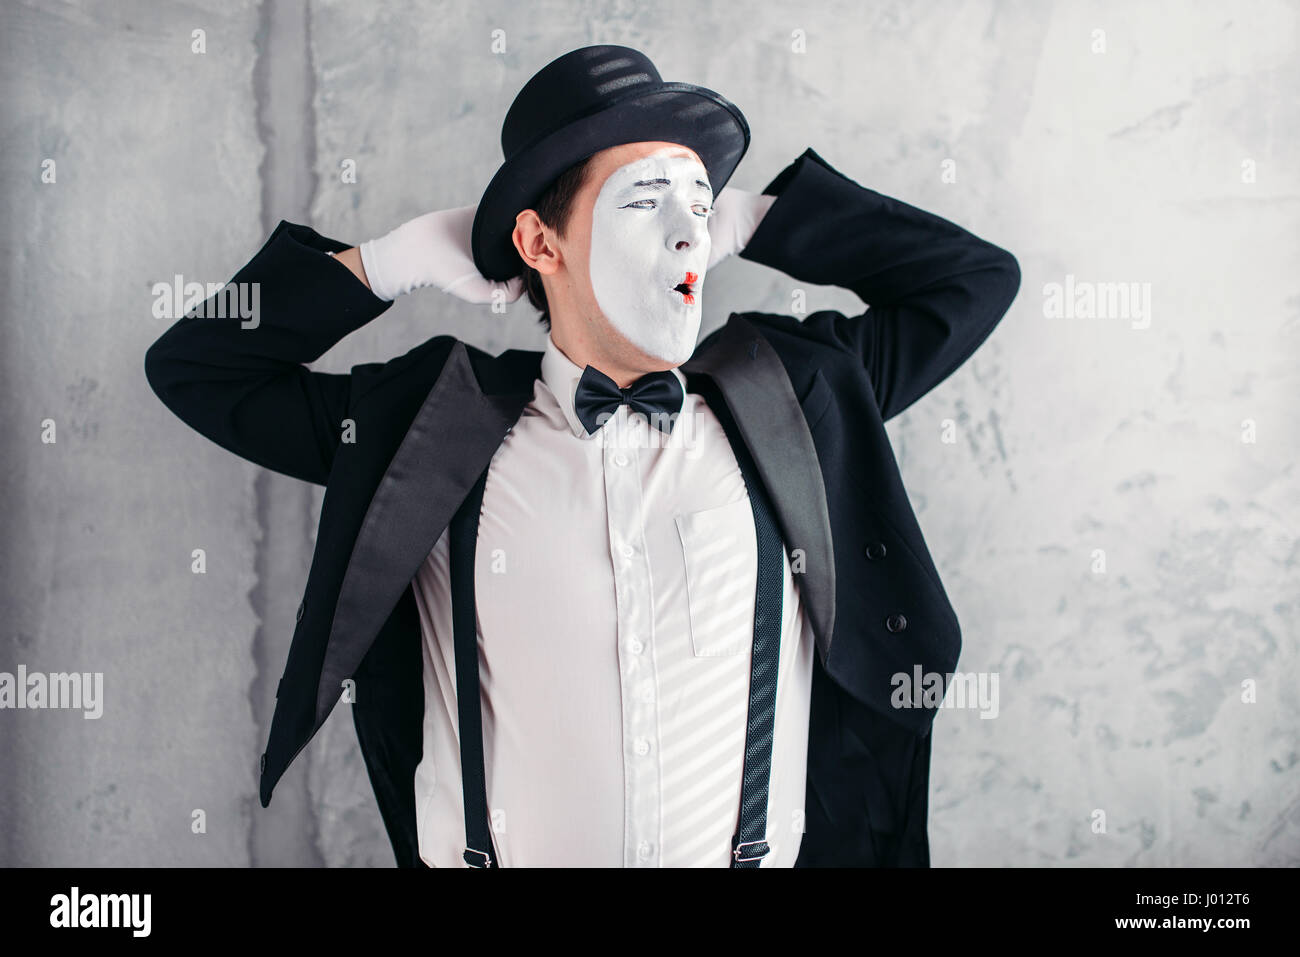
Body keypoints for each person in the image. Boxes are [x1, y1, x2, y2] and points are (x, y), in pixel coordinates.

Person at [144, 44, 1020, 867]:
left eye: (700, 203)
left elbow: (975, 281)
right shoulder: (428, 424)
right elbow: (199, 367)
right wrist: (389, 259)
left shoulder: (796, 398)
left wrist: (757, 221)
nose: (689, 235)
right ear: (539, 244)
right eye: (646, 200)